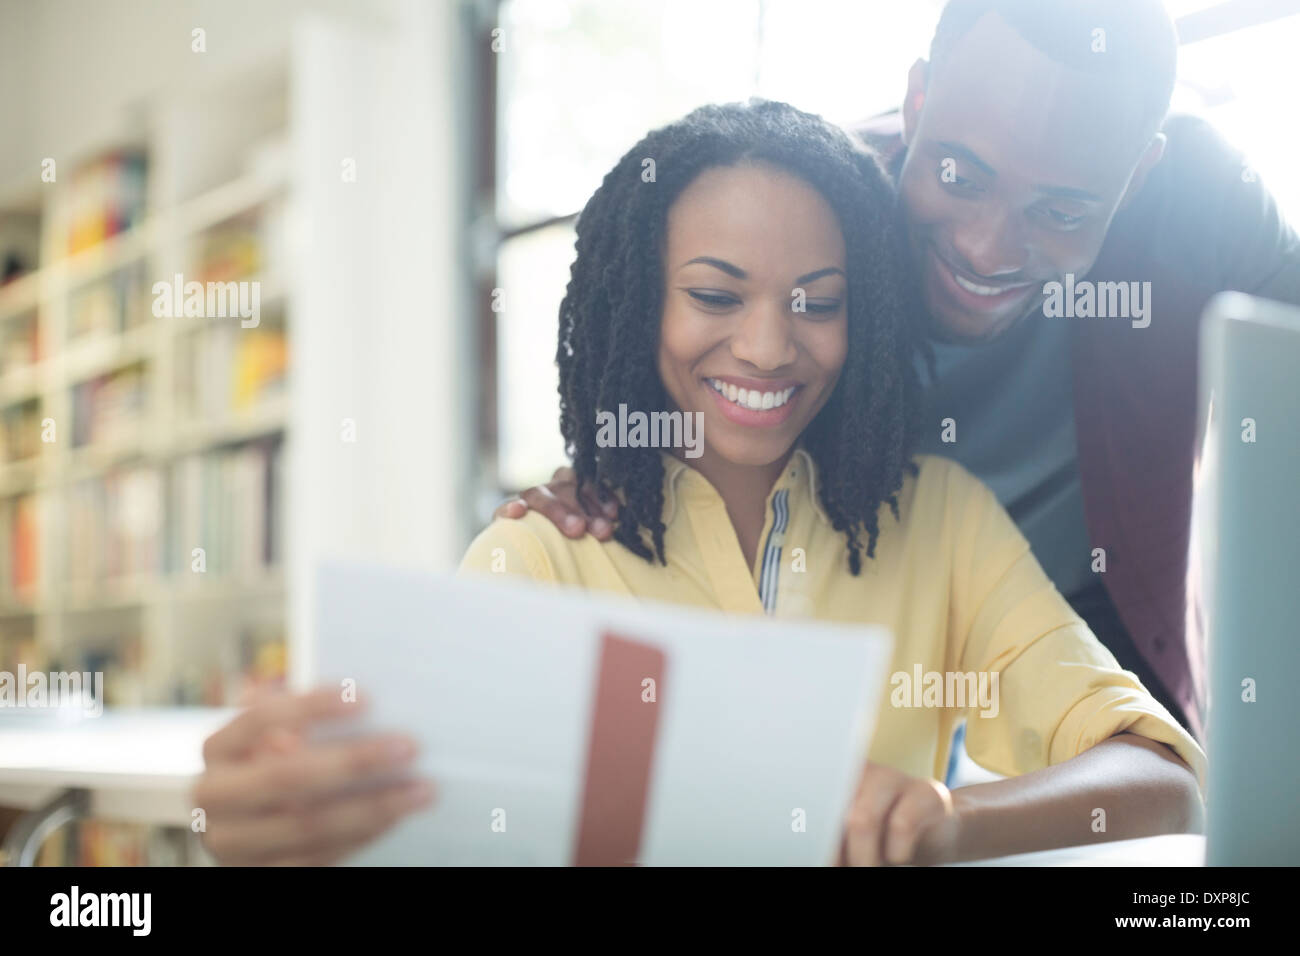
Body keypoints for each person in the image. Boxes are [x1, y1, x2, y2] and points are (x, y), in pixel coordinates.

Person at [499, 0, 1300, 742]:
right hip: (865, 623)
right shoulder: (812, 210)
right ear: (917, 102)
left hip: (1099, 619)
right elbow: (673, 362)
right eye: (961, 176)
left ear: (1135, 177)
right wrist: (619, 468)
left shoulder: (1207, 203)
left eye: (1060, 213)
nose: (987, 250)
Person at [460, 100, 1203, 866]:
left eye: (818, 303)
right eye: (715, 295)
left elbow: (1164, 780)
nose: (768, 347)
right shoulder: (539, 557)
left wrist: (952, 819)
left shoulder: (939, 520)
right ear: (637, 303)